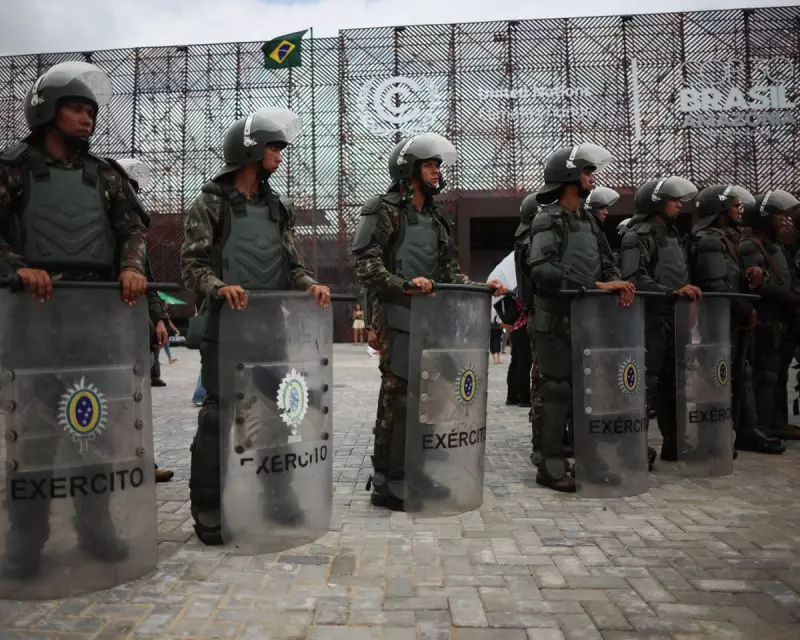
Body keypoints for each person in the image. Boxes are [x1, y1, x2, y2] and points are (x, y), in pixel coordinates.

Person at [0, 61, 150, 577]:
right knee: (34, 438)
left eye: (90, 111)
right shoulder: (13, 170)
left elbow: (133, 228)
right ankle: (26, 541)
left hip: (95, 323)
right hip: (33, 325)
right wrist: (18, 268)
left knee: (96, 430)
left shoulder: (105, 175)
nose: (87, 119)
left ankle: (97, 529)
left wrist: (131, 267)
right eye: (76, 109)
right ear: (47, 112)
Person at [181, 107, 330, 545]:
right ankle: (209, 508)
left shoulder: (276, 207)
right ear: (249, 151)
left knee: (280, 414)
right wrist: (219, 287)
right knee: (218, 417)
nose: (279, 156)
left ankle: (278, 499)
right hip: (225, 329)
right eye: (273, 148)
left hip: (270, 331)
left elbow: (292, 265)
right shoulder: (211, 202)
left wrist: (310, 285)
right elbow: (192, 266)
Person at [351, 132, 505, 511]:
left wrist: (480, 288)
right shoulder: (382, 210)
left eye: (438, 165)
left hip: (432, 321)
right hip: (397, 316)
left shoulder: (437, 218)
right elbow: (367, 266)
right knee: (400, 399)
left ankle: (418, 473)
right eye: (430, 165)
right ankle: (388, 481)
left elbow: (450, 272)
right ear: (409, 169)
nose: (437, 171)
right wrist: (404, 285)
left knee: (430, 397)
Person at [527, 143, 635, 493]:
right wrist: (596, 284)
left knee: (590, 392)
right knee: (557, 390)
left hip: (589, 319)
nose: (592, 177)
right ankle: (551, 465)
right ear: (569, 175)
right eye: (587, 172)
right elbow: (542, 269)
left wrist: (616, 283)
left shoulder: (588, 220)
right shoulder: (547, 218)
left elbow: (607, 261)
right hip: (555, 319)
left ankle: (590, 460)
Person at [689, 185, 783, 455]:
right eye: (733, 205)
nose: (739, 209)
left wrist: (756, 272)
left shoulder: (723, 238)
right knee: (716, 377)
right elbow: (716, 286)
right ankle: (711, 438)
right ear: (719, 209)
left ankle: (746, 431)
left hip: (729, 319)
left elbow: (732, 277)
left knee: (741, 374)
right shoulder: (709, 241)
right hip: (716, 321)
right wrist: (746, 309)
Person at [620, 177, 702, 463]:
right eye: (673, 200)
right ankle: (634, 447)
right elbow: (634, 278)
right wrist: (670, 293)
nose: (679, 205)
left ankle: (675, 442)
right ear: (656, 202)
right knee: (645, 383)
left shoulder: (674, 235)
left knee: (675, 383)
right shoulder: (637, 236)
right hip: (649, 320)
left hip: (675, 318)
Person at [113, 156, 179, 480]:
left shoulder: (132, 239)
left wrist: (160, 319)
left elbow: (147, 281)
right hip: (104, 324)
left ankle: (141, 463)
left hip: (131, 328)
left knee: (135, 399)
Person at [739, 190, 800, 443]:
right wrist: (793, 298)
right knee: (765, 375)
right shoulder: (750, 246)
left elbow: (787, 278)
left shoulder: (778, 246)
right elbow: (759, 285)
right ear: (764, 218)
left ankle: (777, 421)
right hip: (764, 317)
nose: (784, 220)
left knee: (779, 373)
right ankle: (762, 426)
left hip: (782, 318)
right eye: (778, 216)